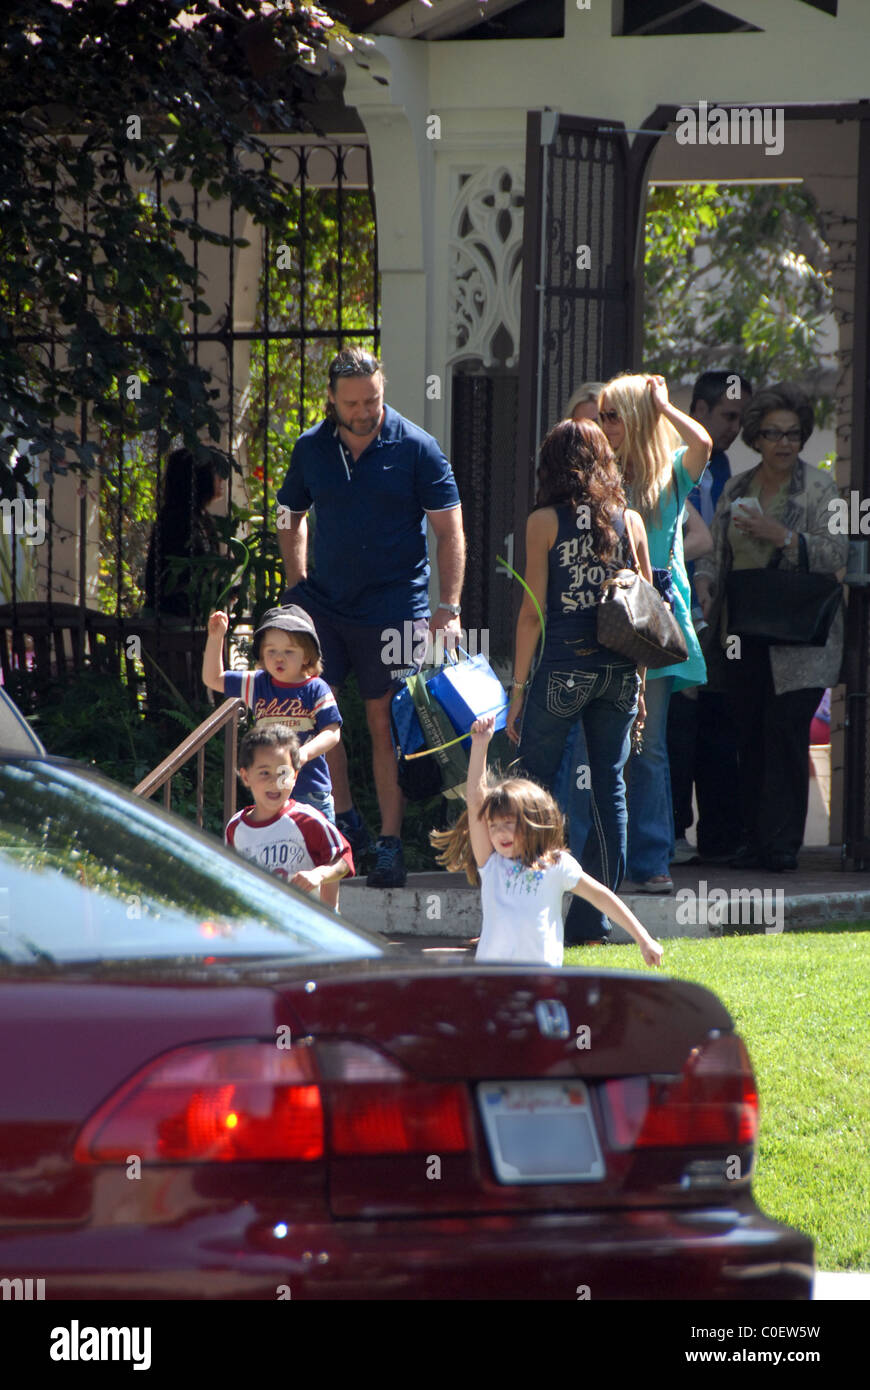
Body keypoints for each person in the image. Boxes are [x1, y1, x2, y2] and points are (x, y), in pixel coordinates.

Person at [276, 347, 465, 889]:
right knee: (321, 715)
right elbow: (291, 516)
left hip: (393, 605)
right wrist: (296, 588)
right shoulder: (311, 448)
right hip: (325, 607)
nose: (365, 411)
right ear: (332, 400)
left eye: (373, 400)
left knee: (383, 724)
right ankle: (346, 821)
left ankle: (388, 842)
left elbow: (449, 531)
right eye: (353, 403)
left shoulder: (417, 449)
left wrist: (446, 609)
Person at [504, 417, 653, 945]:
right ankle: (593, 922)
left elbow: (531, 614)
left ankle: (528, 903)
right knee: (609, 787)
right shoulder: (630, 521)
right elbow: (646, 614)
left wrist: (518, 692)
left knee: (535, 783)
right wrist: (638, 691)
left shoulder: (543, 521)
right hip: (617, 671)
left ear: (550, 466)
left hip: (563, 666)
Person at [693, 382, 847, 871]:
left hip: (800, 637)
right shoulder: (737, 489)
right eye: (774, 434)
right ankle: (754, 843)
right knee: (751, 737)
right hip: (743, 632)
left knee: (785, 735)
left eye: (794, 434)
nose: (785, 443)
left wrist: (780, 535)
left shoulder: (823, 490)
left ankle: (782, 849)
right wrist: (704, 585)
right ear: (756, 437)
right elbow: (713, 555)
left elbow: (837, 554)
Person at [597, 373, 712, 892]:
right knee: (601, 743)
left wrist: (663, 405)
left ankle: (651, 861)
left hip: (650, 623)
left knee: (648, 746)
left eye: (612, 415)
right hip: (601, 619)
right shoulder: (598, 474)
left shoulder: (669, 475)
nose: (604, 425)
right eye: (601, 416)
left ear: (636, 419)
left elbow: (703, 443)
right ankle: (603, 861)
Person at [431, 716, 663, 968]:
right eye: (493, 825)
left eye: (509, 823)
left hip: (542, 983)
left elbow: (602, 898)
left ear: (534, 820)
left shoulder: (558, 864)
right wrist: (480, 744)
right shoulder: (491, 862)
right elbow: (476, 802)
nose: (500, 833)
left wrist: (644, 939)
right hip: (493, 983)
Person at [668, 370, 752, 866]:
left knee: (717, 725)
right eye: (727, 416)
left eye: (740, 419)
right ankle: (674, 830)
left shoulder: (730, 474)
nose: (734, 428)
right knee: (678, 721)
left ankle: (721, 836)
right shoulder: (674, 459)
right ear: (698, 410)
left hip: (719, 617)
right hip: (674, 608)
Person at [202, 605, 341, 823]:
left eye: (289, 651)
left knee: (319, 856)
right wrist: (215, 638)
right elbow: (213, 679)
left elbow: (332, 732)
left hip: (310, 791)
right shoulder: (257, 684)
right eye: (271, 651)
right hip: (269, 792)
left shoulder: (316, 688)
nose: (279, 658)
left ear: (307, 655)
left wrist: (303, 754)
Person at [226, 724, 353, 911]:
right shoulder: (235, 828)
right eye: (264, 773)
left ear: (295, 775)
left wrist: (319, 874)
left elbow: (343, 859)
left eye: (283, 773)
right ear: (245, 776)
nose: (274, 782)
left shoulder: (308, 820)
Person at [143, 448, 224, 620]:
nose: (221, 479)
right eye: (215, 473)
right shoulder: (177, 520)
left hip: (189, 619)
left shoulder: (202, 519)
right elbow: (166, 580)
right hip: (169, 620)